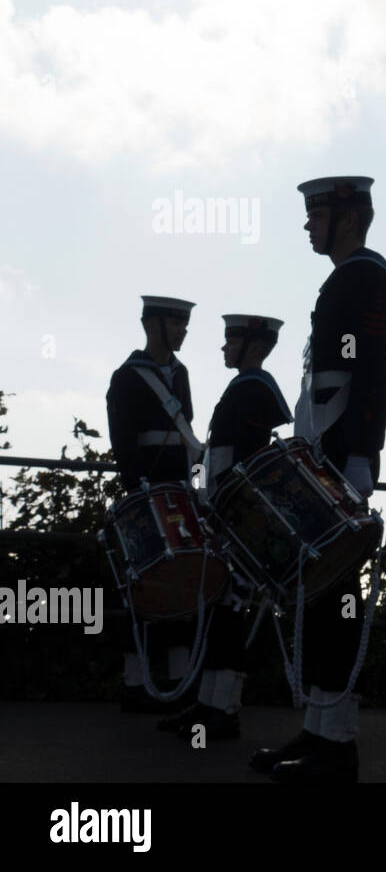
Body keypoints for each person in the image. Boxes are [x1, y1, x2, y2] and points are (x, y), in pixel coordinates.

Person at [251, 175, 386, 783]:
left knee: (336, 603)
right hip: (325, 455)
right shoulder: (346, 278)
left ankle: (338, 741)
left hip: (344, 458)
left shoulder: (366, 277)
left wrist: (361, 453)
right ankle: (318, 729)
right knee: (315, 599)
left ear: (348, 218)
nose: (308, 225)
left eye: (316, 215)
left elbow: (376, 372)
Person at [157, 314, 292, 740]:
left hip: (239, 516)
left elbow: (238, 459)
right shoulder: (247, 387)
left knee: (231, 612)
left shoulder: (254, 388)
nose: (223, 348)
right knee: (221, 611)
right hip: (227, 513)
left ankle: (223, 708)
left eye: (230, 340)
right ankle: (212, 704)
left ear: (252, 346)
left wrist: (220, 506)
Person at [106, 295, 202, 712]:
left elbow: (187, 428)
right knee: (141, 585)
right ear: (153, 326)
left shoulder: (181, 375)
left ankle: (180, 680)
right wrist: (137, 491)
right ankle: (135, 681)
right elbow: (123, 443)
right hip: (145, 489)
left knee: (181, 579)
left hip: (178, 486)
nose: (183, 331)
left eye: (184, 324)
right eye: (175, 324)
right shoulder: (126, 377)